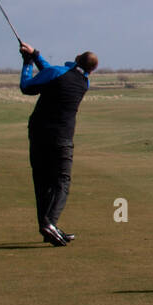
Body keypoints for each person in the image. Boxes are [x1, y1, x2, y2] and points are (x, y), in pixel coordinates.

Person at [19, 42, 98, 246]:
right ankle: (49, 225)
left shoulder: (58, 73)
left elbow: (27, 87)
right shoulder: (84, 82)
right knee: (61, 181)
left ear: (77, 59)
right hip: (62, 139)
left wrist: (27, 62)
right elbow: (54, 73)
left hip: (39, 134)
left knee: (43, 182)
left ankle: (48, 226)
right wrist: (36, 55)